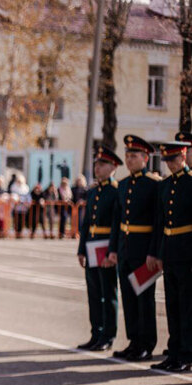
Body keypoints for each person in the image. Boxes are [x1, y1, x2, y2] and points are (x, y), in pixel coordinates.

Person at [107, 135, 160, 362]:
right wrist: (113, 249)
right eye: (127, 156)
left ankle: (147, 343)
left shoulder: (153, 184)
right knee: (128, 298)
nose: (129, 160)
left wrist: (154, 252)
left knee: (144, 299)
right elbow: (117, 221)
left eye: (134, 156)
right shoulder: (124, 184)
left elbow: (158, 222)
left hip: (144, 251)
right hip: (126, 248)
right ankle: (133, 341)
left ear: (145, 158)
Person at [151, 141, 192, 372]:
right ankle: (174, 352)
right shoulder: (164, 186)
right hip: (170, 252)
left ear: (183, 156)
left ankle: (187, 353)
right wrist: (158, 253)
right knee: (172, 306)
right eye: (167, 161)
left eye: (174, 159)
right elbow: (160, 223)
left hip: (187, 252)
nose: (170, 164)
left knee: (187, 307)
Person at [76, 146, 121, 351]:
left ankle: (108, 335)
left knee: (107, 292)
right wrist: (81, 249)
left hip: (105, 244)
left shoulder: (115, 191)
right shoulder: (93, 191)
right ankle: (96, 332)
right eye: (96, 164)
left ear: (113, 167)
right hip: (92, 244)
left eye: (102, 164)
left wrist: (113, 250)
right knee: (93, 293)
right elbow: (86, 223)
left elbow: (116, 224)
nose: (97, 167)